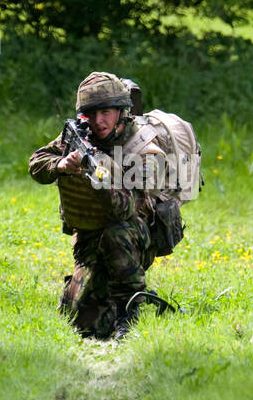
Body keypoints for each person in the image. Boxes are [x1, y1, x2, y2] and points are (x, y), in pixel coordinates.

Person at [28, 72, 174, 340]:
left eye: (106, 112)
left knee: (116, 234)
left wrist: (98, 171)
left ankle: (130, 312)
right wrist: (60, 165)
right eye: (92, 113)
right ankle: (104, 291)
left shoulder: (144, 148)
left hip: (133, 237)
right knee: (82, 322)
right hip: (89, 238)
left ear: (121, 111)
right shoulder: (82, 136)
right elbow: (36, 163)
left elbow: (126, 209)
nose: (98, 121)